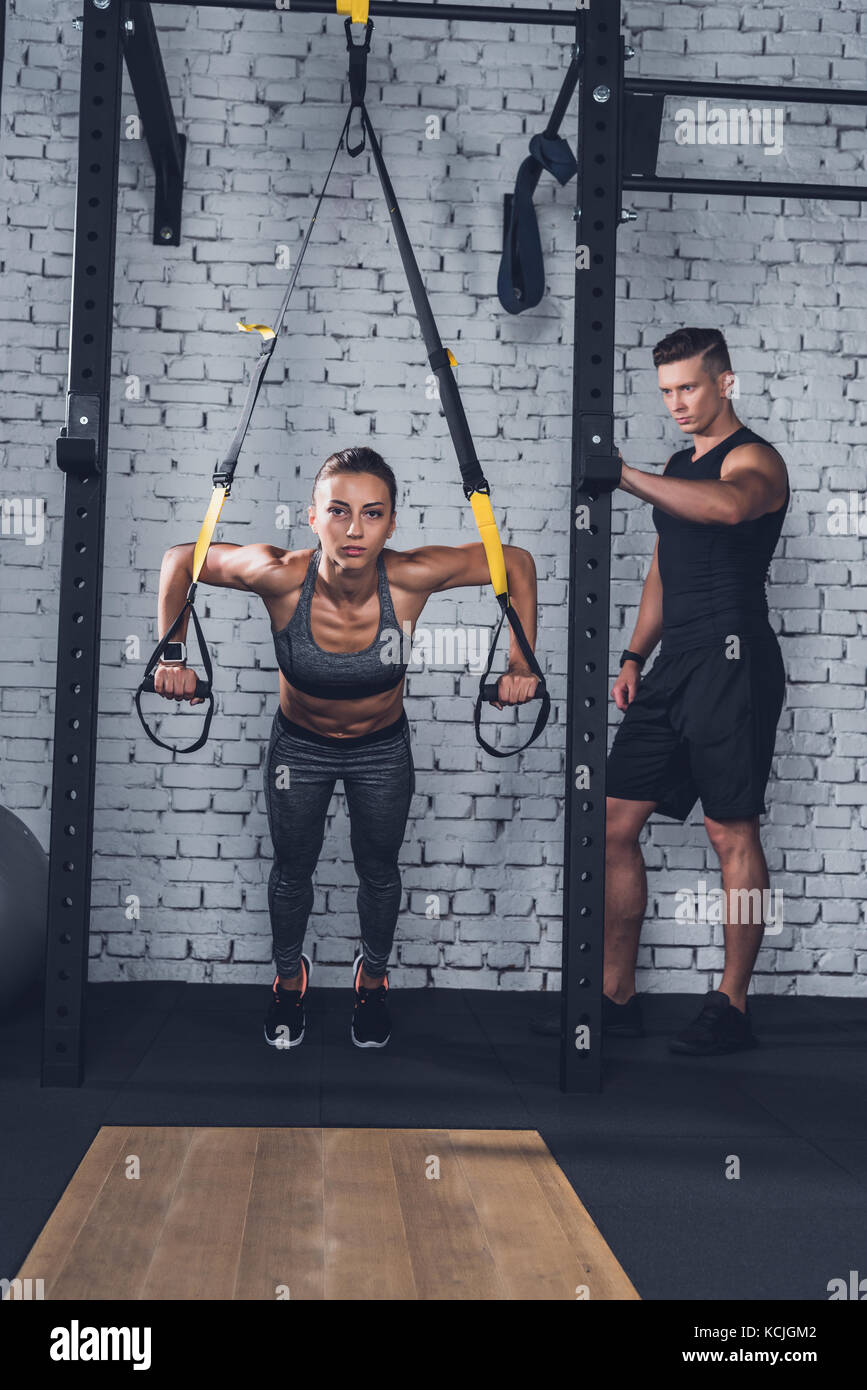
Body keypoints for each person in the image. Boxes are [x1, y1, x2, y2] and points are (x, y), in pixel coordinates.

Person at [152, 446, 541, 1051]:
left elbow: (513, 562)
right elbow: (182, 559)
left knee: (379, 870)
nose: (355, 529)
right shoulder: (278, 575)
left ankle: (374, 981)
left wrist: (521, 664)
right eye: (339, 511)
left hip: (381, 750)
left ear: (391, 521)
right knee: (291, 872)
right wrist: (172, 654)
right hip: (298, 749)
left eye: (372, 513)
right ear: (313, 518)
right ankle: (288, 981)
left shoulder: (411, 577)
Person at [605, 327, 789, 1056]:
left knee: (728, 830)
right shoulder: (679, 463)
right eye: (666, 391)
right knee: (613, 822)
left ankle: (731, 1004)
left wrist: (620, 474)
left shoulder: (755, 459)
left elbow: (728, 510)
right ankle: (616, 997)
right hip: (672, 662)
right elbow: (661, 566)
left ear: (724, 383)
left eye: (687, 387)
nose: (676, 403)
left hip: (733, 660)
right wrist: (631, 654)